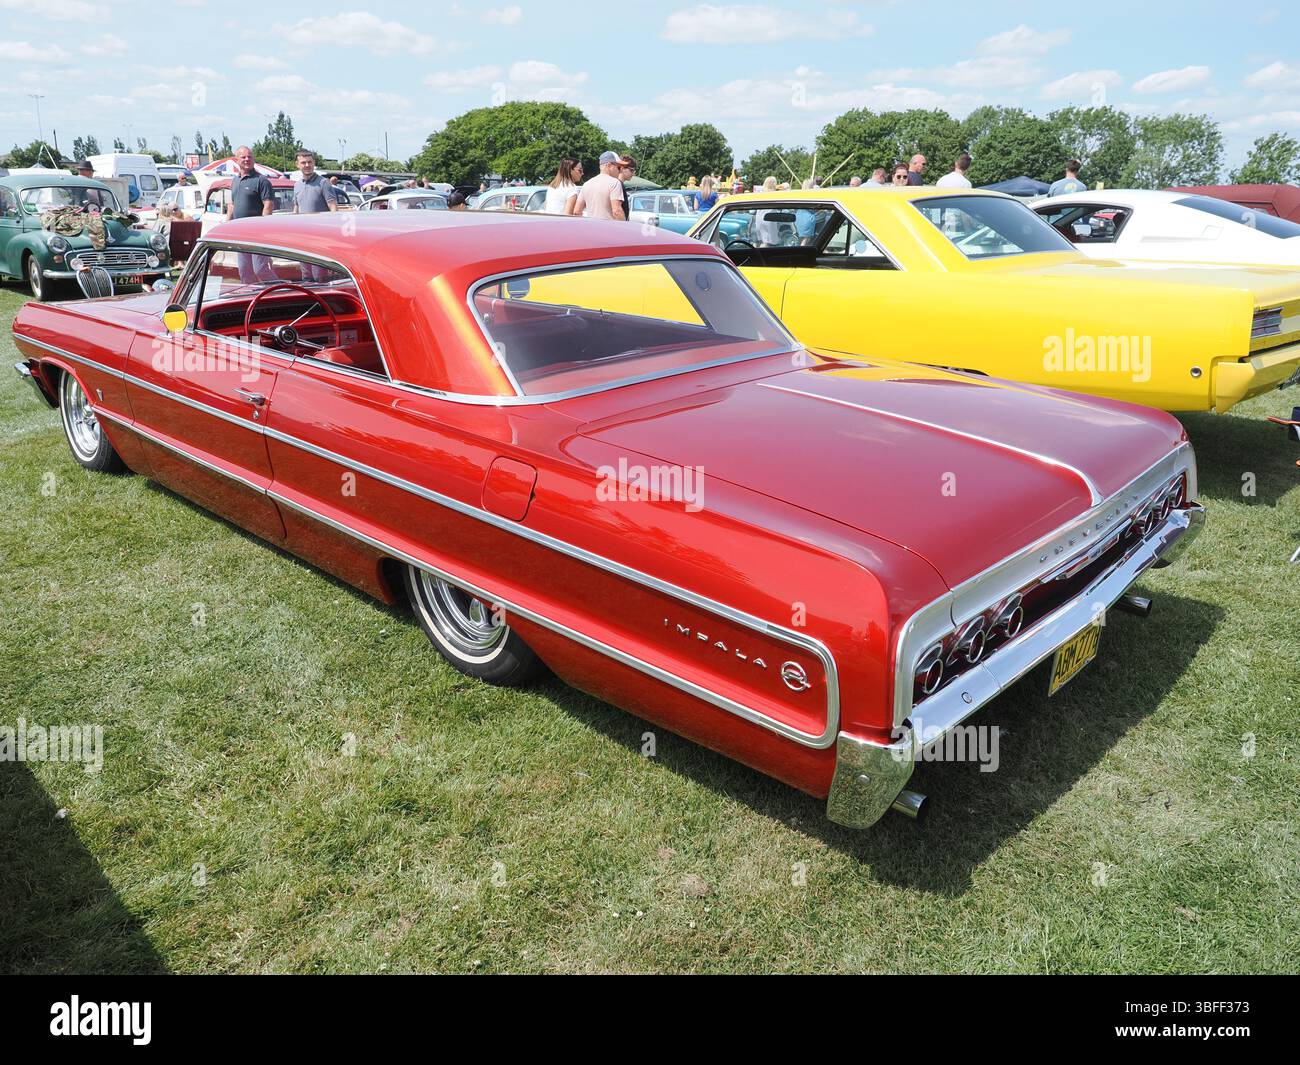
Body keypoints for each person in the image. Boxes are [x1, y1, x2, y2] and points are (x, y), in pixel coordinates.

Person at [225, 145, 276, 283]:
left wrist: (263, 226)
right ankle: (249, 299)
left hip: (257, 233)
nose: (247, 159)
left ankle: (284, 291)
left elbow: (268, 205)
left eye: (250, 156)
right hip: (240, 234)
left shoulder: (261, 180)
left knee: (260, 269)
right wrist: (226, 224)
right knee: (244, 270)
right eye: (243, 157)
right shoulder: (235, 181)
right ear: (237, 160)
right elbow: (232, 205)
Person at [569, 151, 626, 220]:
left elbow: (576, 211)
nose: (620, 171)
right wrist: (625, 226)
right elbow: (617, 212)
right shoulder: (615, 183)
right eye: (619, 167)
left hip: (591, 228)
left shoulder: (587, 184)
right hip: (608, 229)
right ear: (609, 165)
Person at [617, 155, 637, 220]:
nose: (633, 174)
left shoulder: (619, 184)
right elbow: (617, 211)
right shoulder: (617, 185)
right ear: (622, 168)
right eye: (631, 170)